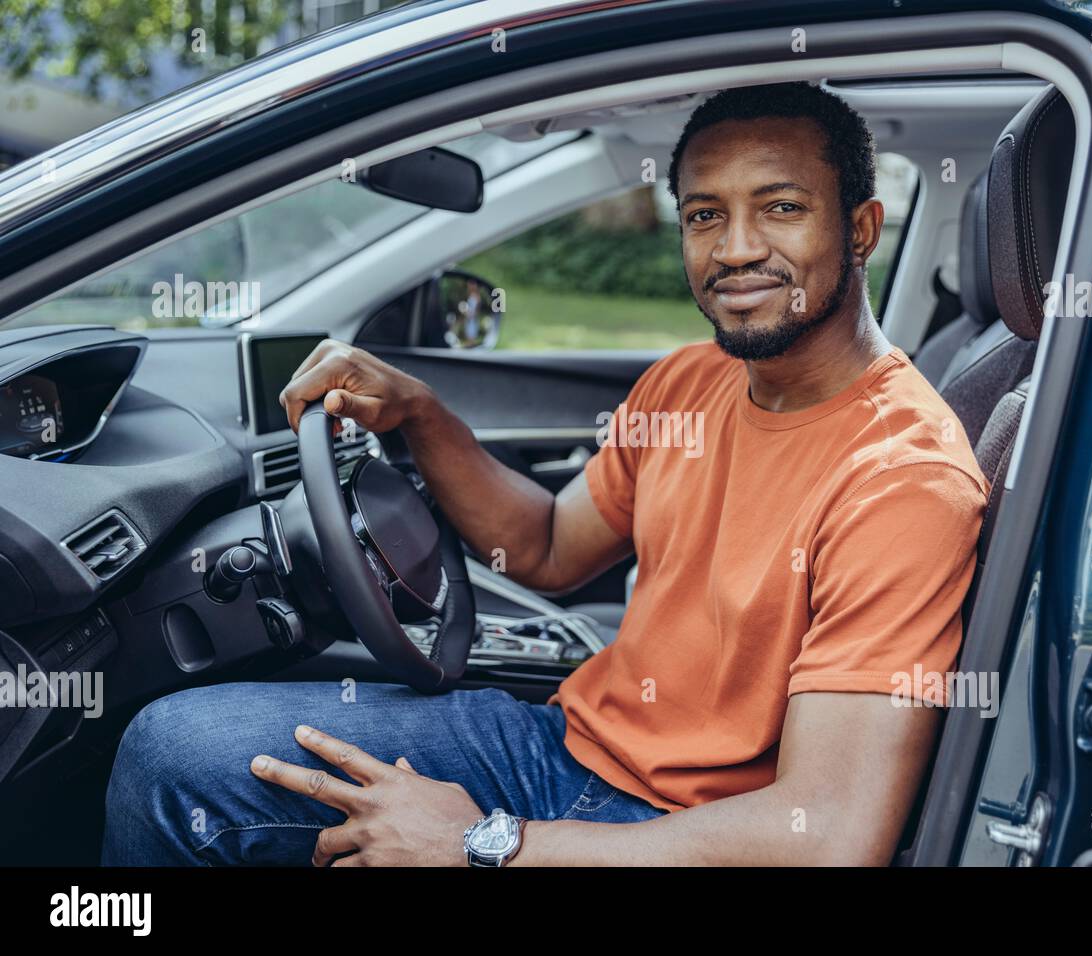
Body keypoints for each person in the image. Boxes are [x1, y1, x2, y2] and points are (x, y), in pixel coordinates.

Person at [102, 81, 988, 866]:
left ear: (863, 227)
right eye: (704, 214)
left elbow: (827, 834)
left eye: (782, 207)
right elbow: (546, 549)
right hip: (564, 743)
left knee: (181, 775)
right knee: (172, 750)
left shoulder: (903, 477)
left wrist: (485, 843)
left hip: (681, 826)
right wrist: (423, 416)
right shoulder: (690, 380)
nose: (735, 249)